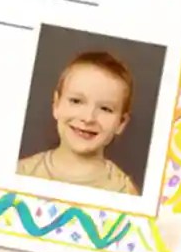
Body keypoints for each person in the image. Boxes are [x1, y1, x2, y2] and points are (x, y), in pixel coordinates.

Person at [16, 50, 139, 195]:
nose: (88, 118)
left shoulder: (124, 191)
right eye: (76, 101)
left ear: (121, 123)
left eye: (105, 109)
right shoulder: (22, 172)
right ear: (56, 105)